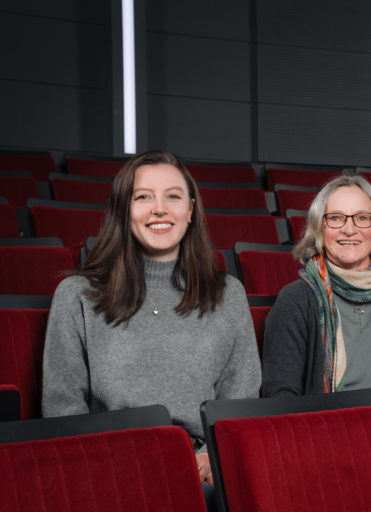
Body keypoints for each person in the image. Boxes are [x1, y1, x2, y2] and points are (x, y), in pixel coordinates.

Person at [42, 150, 261, 505]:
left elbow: (240, 396)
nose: (159, 208)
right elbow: (63, 408)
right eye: (143, 197)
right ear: (122, 210)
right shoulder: (76, 295)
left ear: (190, 210)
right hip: (110, 464)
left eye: (172, 196)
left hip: (200, 467)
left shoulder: (227, 294)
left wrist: (211, 455)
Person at [262, 174, 371, 420]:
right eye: (335, 218)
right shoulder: (296, 299)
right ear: (318, 229)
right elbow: (281, 396)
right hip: (317, 437)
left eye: (362, 218)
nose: (349, 229)